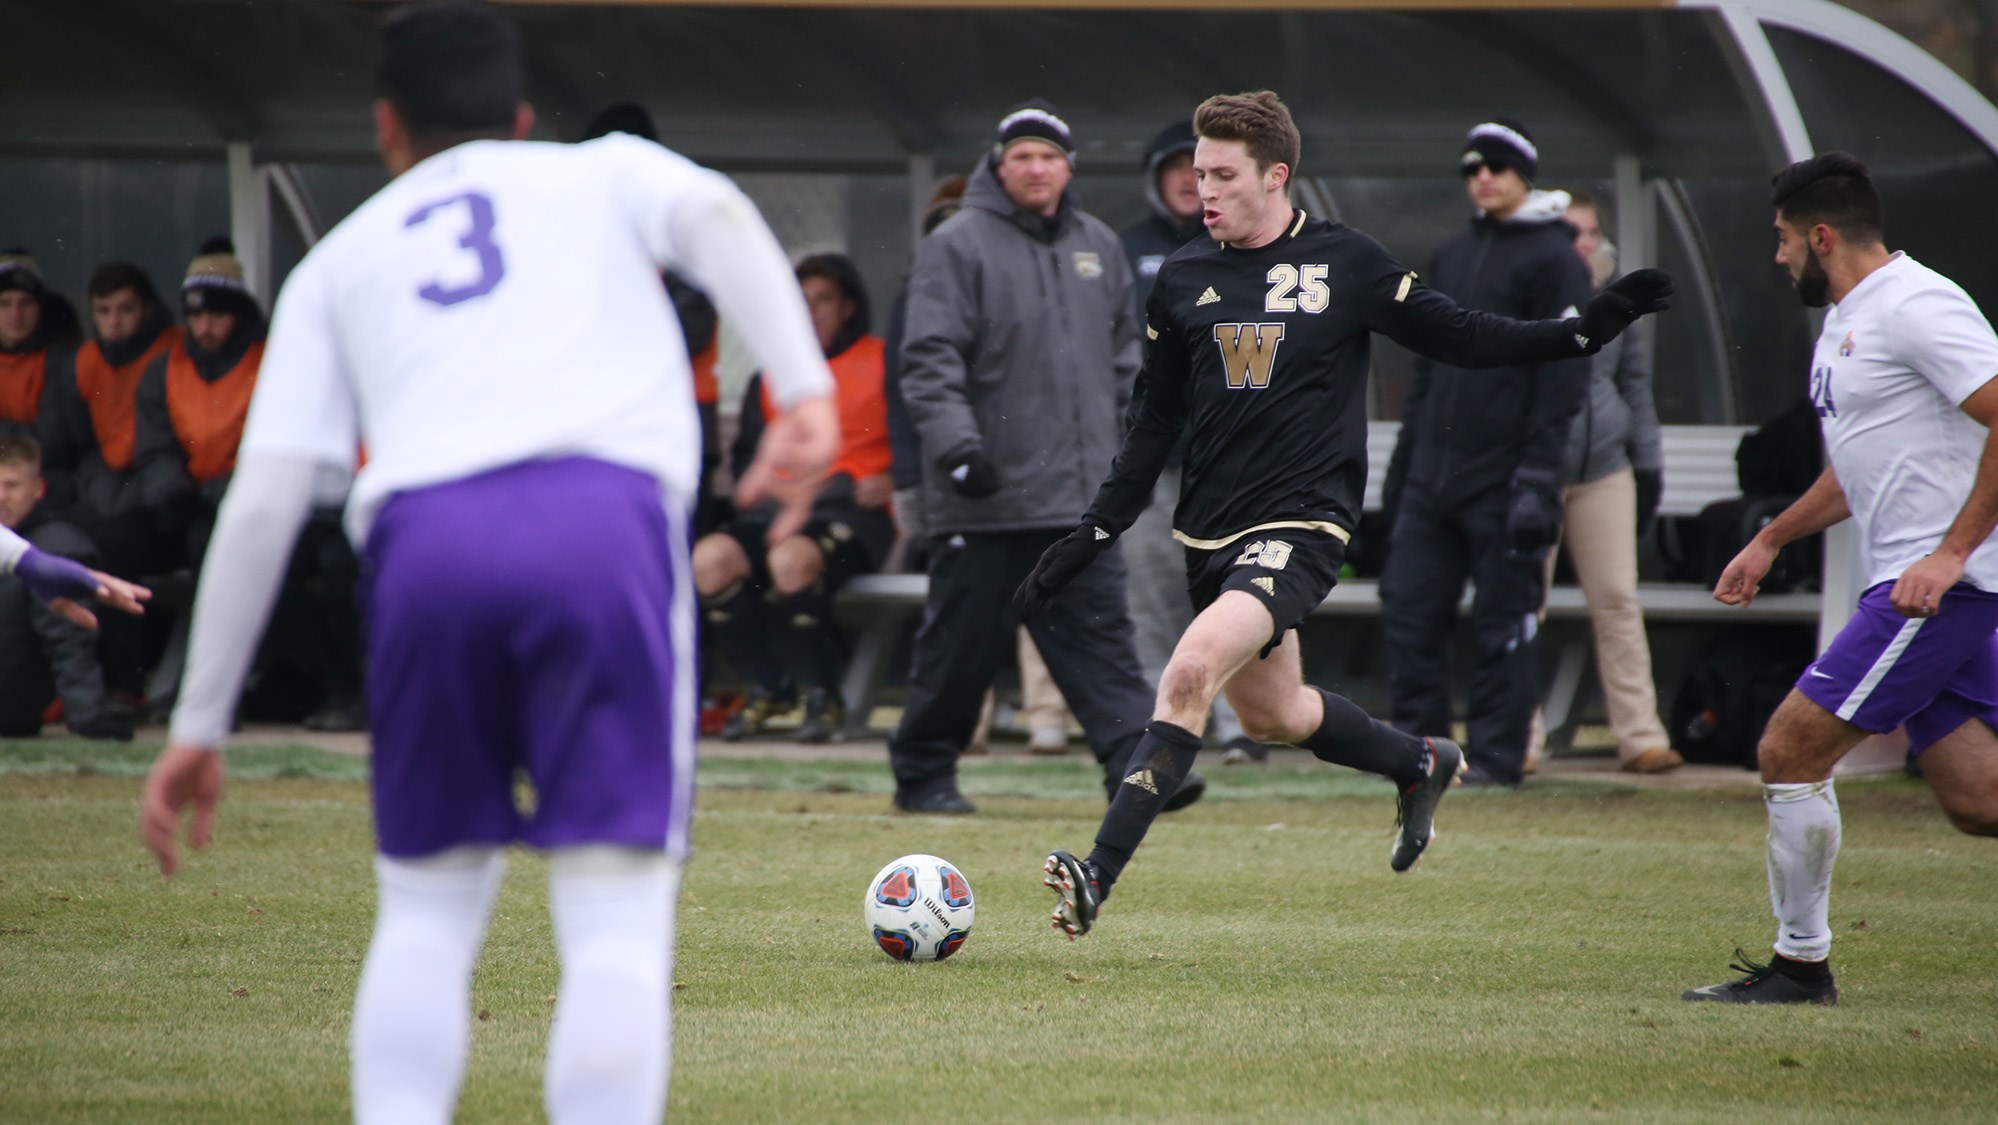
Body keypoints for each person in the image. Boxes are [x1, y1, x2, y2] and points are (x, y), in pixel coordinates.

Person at [136, 5, 838, 1123]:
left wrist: (196, 727)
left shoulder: (342, 258)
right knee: (612, 926)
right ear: (520, 118)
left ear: (384, 128)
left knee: (424, 912)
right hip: (597, 531)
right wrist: (806, 388)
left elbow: (264, 504)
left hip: (424, 550)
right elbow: (712, 207)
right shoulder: (599, 173)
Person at [1019, 90, 1671, 938]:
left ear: (1276, 176)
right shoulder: (1183, 275)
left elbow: (1463, 334)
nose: (1203, 189)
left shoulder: (1345, 263)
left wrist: (1579, 333)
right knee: (1274, 715)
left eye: (1222, 174)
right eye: (1197, 171)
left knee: (1186, 673)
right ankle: (1419, 759)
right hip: (1209, 529)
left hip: (1303, 521)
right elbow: (1154, 424)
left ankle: (1095, 875)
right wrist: (1095, 530)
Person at [1684, 153, 1998, 1005]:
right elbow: (1856, 469)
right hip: (1911, 588)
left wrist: (1948, 553)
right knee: (1979, 799)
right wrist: (1770, 538)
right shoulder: (1846, 321)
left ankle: (1799, 966)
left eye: (1782, 240)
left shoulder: (1919, 304)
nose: (1777, 258)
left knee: (1789, 747)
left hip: (1937, 590)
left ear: (1820, 236)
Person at [890, 99, 1204, 815]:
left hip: (1078, 498)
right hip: (986, 496)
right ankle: (923, 775)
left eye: (1049, 156)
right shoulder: (957, 242)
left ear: (1069, 167)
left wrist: (1130, 445)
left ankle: (1138, 773)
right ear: (998, 167)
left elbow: (1131, 359)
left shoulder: (1097, 243)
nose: (1036, 168)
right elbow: (929, 359)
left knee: (1103, 645)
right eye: (1022, 156)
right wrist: (960, 449)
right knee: (959, 652)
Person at [1379, 119, 1595, 788]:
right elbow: (1427, 371)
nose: (1483, 179)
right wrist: (1403, 465)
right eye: (1472, 168)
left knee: (1504, 623)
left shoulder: (1557, 260)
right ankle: (1421, 756)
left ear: (1525, 175)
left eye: (1497, 167)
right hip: (1431, 477)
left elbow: (1562, 377)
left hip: (1505, 477)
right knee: (1409, 609)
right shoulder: (1449, 255)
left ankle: (1498, 759)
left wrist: (1538, 474)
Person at [1119, 118, 1270, 766]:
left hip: (1232, 464)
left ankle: (1241, 724)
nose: (1191, 179)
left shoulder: (1250, 250)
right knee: (1152, 596)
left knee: (1232, 597)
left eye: (1204, 168)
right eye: (1178, 166)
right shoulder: (1126, 251)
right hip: (1155, 464)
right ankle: (1167, 728)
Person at [699, 253, 893, 743]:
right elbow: (747, 459)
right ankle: (767, 687)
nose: (811, 311)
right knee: (709, 561)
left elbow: (916, 442)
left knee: (790, 562)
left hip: (854, 512)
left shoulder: (884, 361)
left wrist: (893, 482)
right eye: (800, 301)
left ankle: (822, 696)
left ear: (848, 307)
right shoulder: (771, 375)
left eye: (823, 299)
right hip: (781, 511)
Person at [1533, 191, 1679, 774]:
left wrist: (1647, 461)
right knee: (1524, 605)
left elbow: (1636, 386)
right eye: (1573, 231)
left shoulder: (1619, 297)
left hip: (1605, 467)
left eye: (1592, 231)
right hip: (1537, 469)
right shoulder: (1532, 288)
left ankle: (1641, 736)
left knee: (1618, 599)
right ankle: (1515, 740)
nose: (1584, 242)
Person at [39, 262, 185, 704]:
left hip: (161, 494)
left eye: (126, 309)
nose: (115, 322)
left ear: (148, 308)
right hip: (108, 488)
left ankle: (125, 682)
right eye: (104, 311)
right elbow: (66, 444)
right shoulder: (83, 361)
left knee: (115, 551)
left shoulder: (173, 351)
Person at [131, 238, 268, 572]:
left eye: (217, 313)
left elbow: (277, 447)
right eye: (195, 314)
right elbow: (152, 450)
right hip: (183, 505)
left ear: (239, 313)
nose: (205, 327)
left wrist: (227, 489)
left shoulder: (270, 364)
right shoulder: (163, 369)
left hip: (251, 505)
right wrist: (172, 490)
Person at [0, 433, 133, 739]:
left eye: (12, 485)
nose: (1, 496)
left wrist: (88, 717)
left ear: (38, 489)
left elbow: (70, 642)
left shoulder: (57, 548)